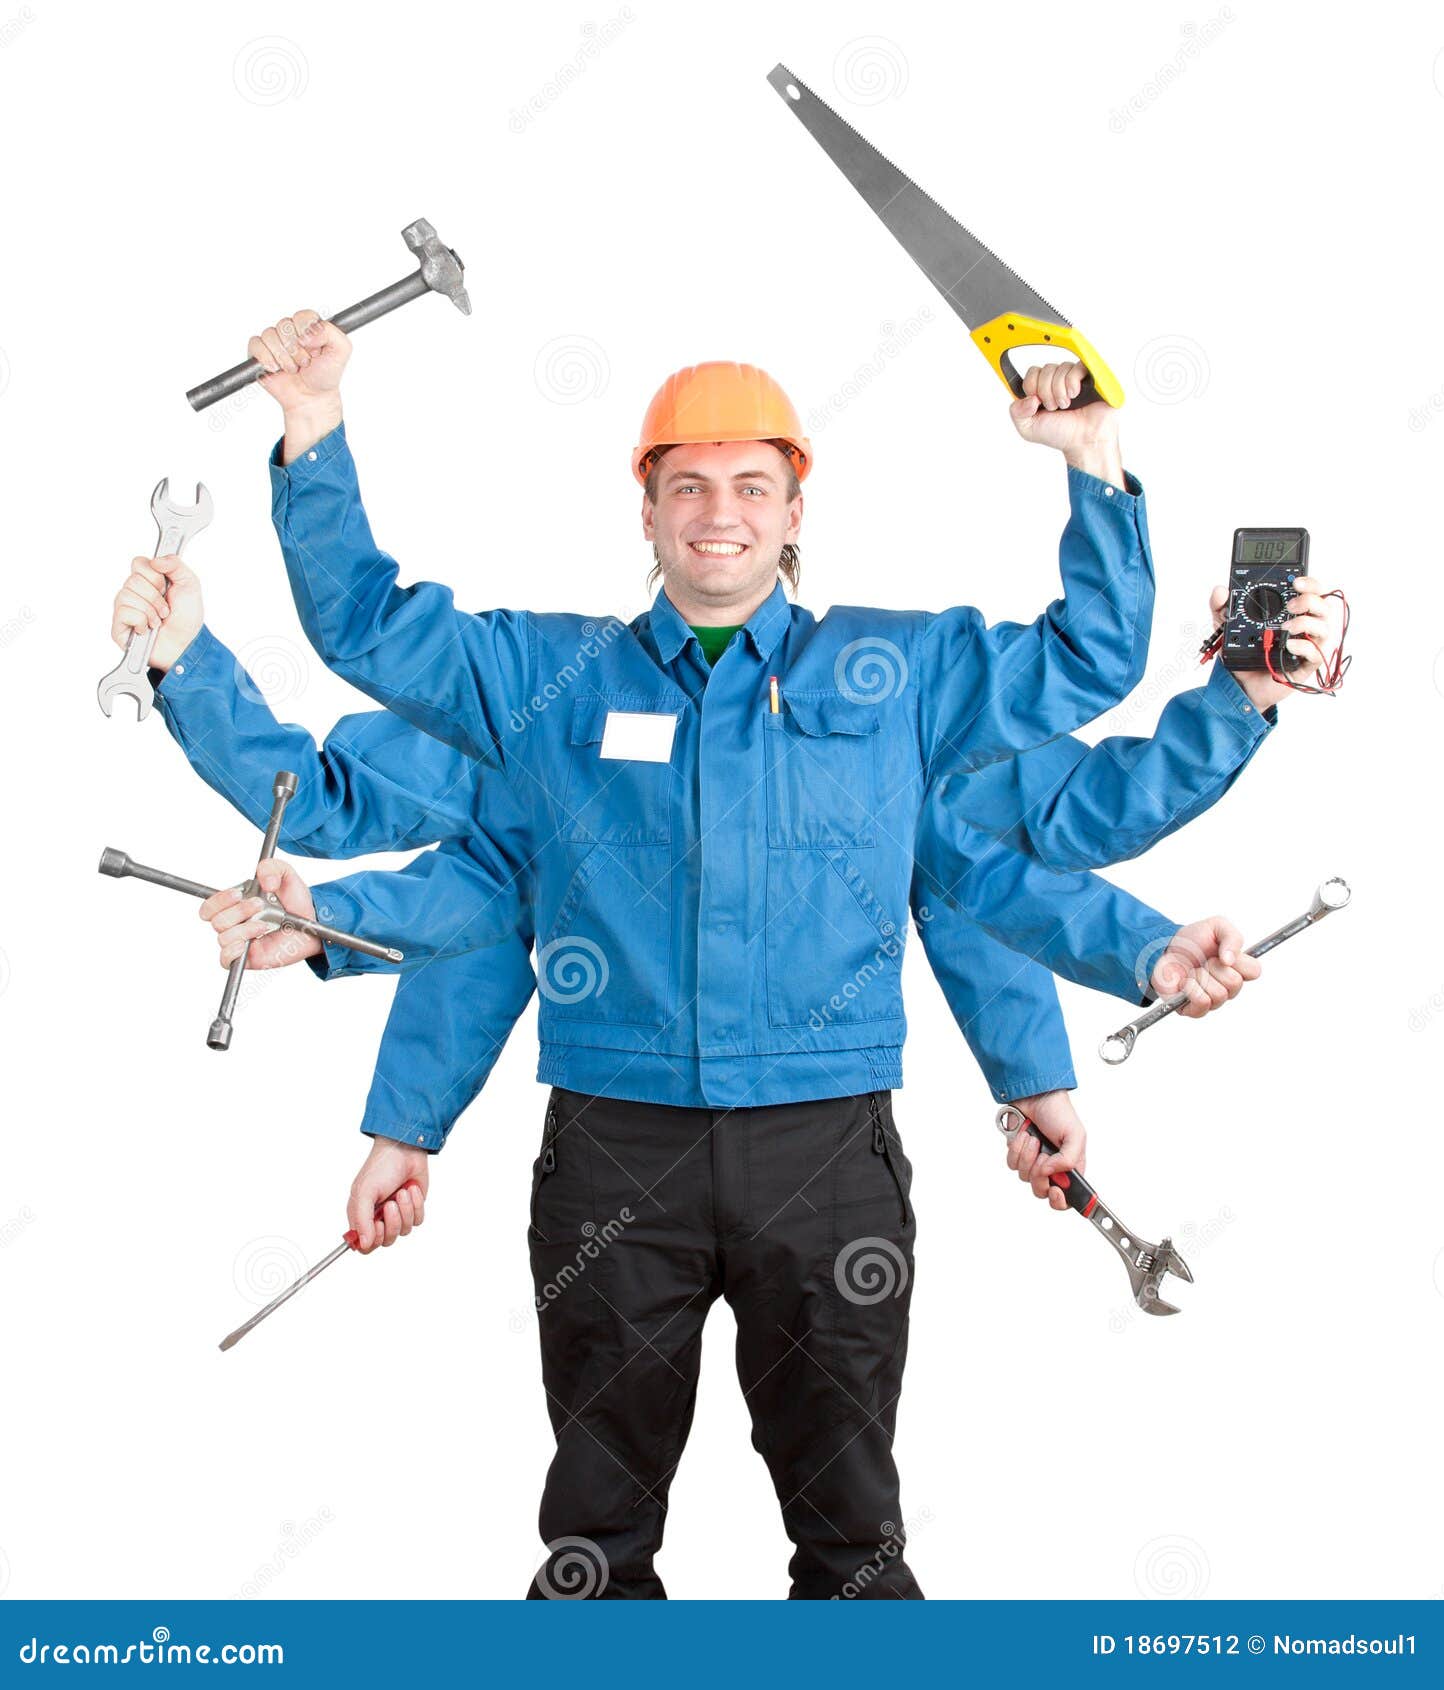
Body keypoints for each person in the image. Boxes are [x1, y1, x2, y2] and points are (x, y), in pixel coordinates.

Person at [118, 310, 1313, 1597]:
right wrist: (312, 425)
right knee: (593, 1541)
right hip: (614, 1155)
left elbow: (1072, 692)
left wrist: (1091, 456)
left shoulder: (894, 677)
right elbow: (378, 654)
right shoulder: (550, 686)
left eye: (753, 485)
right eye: (684, 485)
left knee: (854, 1541)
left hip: (827, 1155)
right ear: (644, 510)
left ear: (798, 510)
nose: (718, 512)